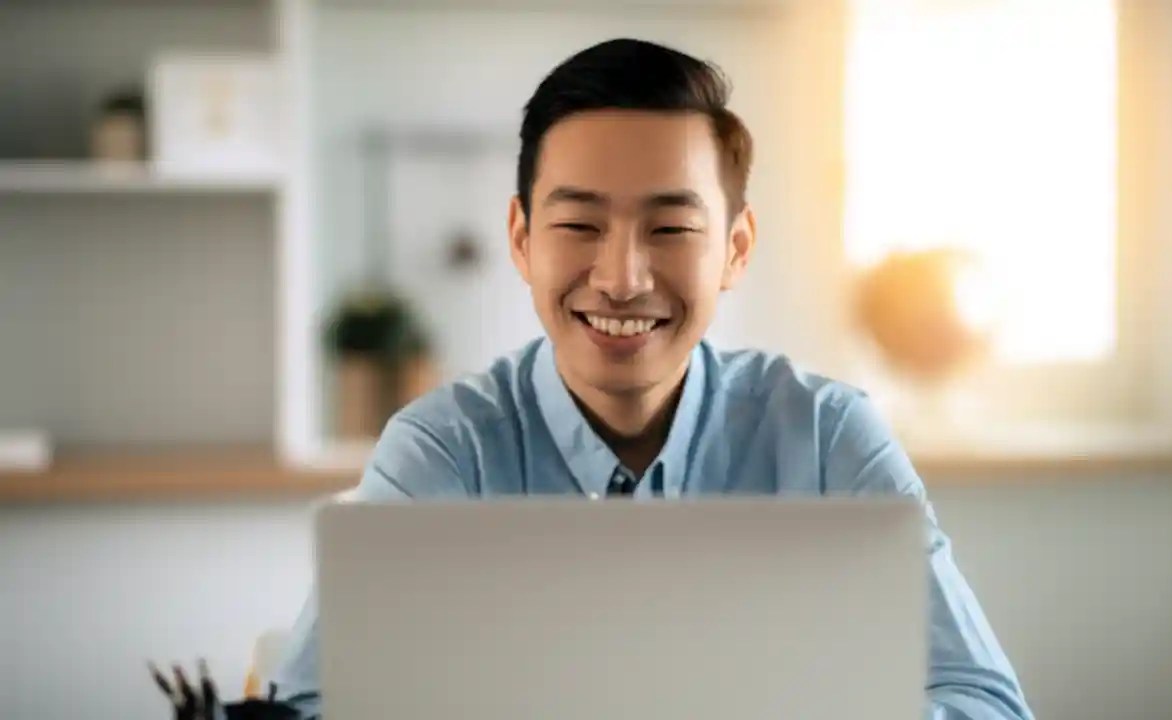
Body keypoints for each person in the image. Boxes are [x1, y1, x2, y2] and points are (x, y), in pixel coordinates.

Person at [274, 37, 1034, 719]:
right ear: (522, 239)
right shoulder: (442, 453)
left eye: (670, 228)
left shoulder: (826, 437)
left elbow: (986, 700)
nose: (622, 279)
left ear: (736, 248)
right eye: (580, 225)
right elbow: (311, 704)